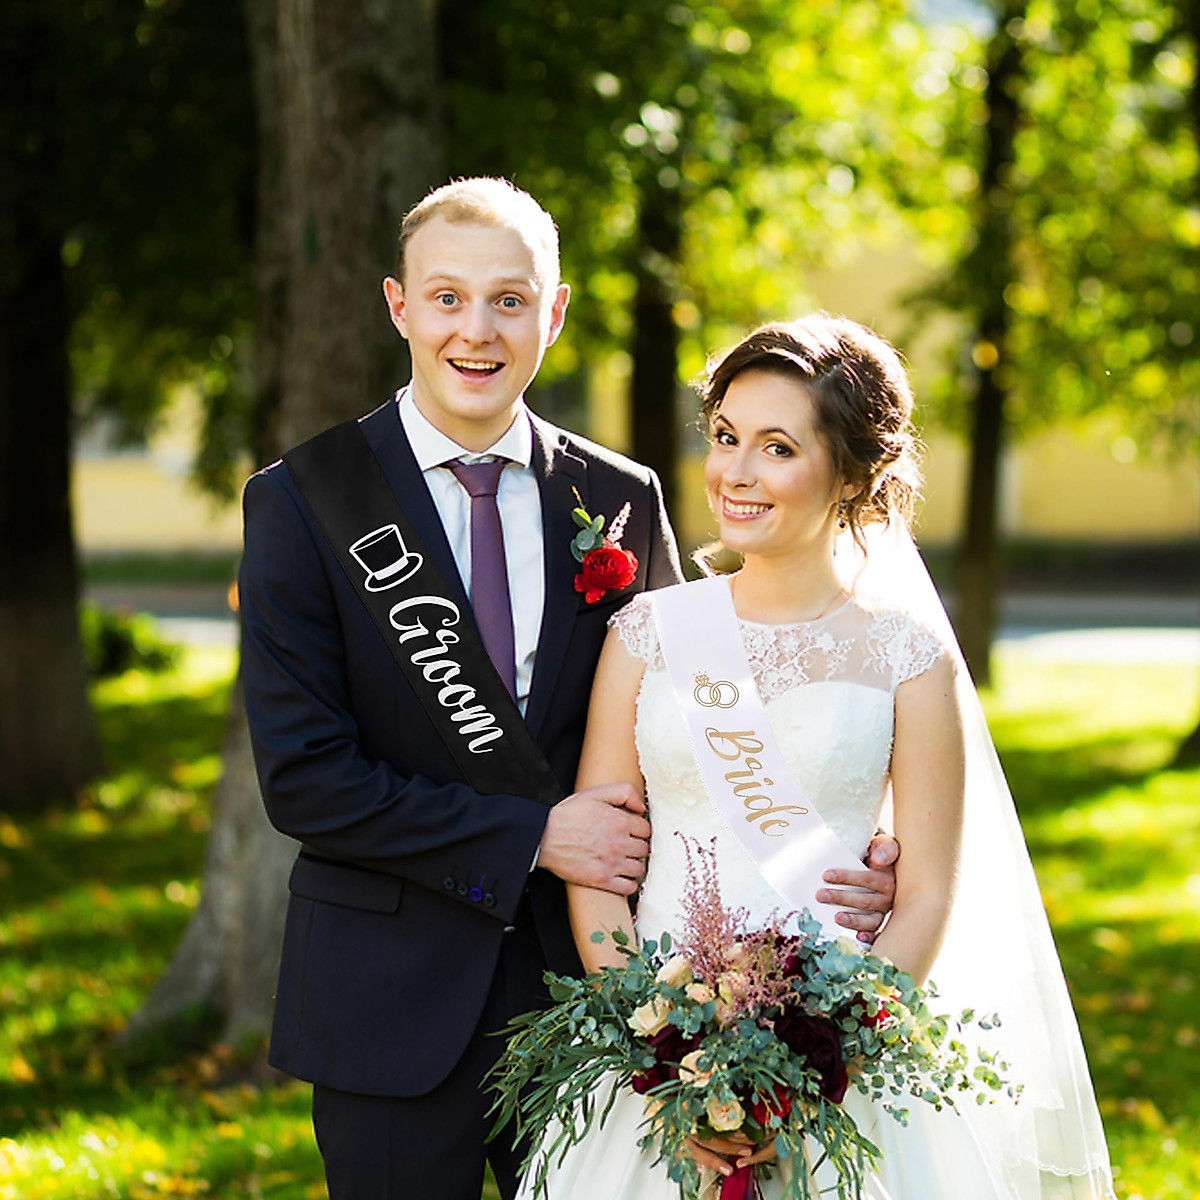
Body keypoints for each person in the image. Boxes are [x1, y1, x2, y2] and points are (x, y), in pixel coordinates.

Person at [237, 178, 898, 1200]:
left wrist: (846, 846)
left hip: (597, 999)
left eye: (509, 300)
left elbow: (699, 717)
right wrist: (532, 838)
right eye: (447, 298)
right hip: (387, 996)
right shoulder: (303, 501)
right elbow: (307, 782)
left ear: (554, 314)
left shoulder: (617, 495)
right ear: (399, 306)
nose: (477, 331)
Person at [516, 315, 1116, 1199]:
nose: (735, 472)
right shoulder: (648, 633)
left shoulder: (907, 656)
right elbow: (600, 870)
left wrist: (809, 1076)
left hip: (837, 1068)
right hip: (654, 1058)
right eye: (726, 437)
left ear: (852, 474)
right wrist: (660, 1060)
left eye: (778, 448)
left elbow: (927, 895)